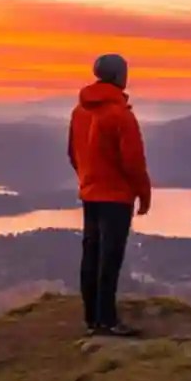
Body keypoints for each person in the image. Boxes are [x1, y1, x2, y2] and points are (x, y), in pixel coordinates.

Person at [68, 53, 151, 337]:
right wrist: (144, 194)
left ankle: (92, 317)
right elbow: (134, 163)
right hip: (116, 198)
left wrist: (86, 179)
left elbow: (73, 154)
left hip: (90, 193)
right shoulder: (121, 116)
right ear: (118, 76)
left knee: (90, 254)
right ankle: (108, 321)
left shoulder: (79, 112)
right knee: (109, 258)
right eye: (125, 71)